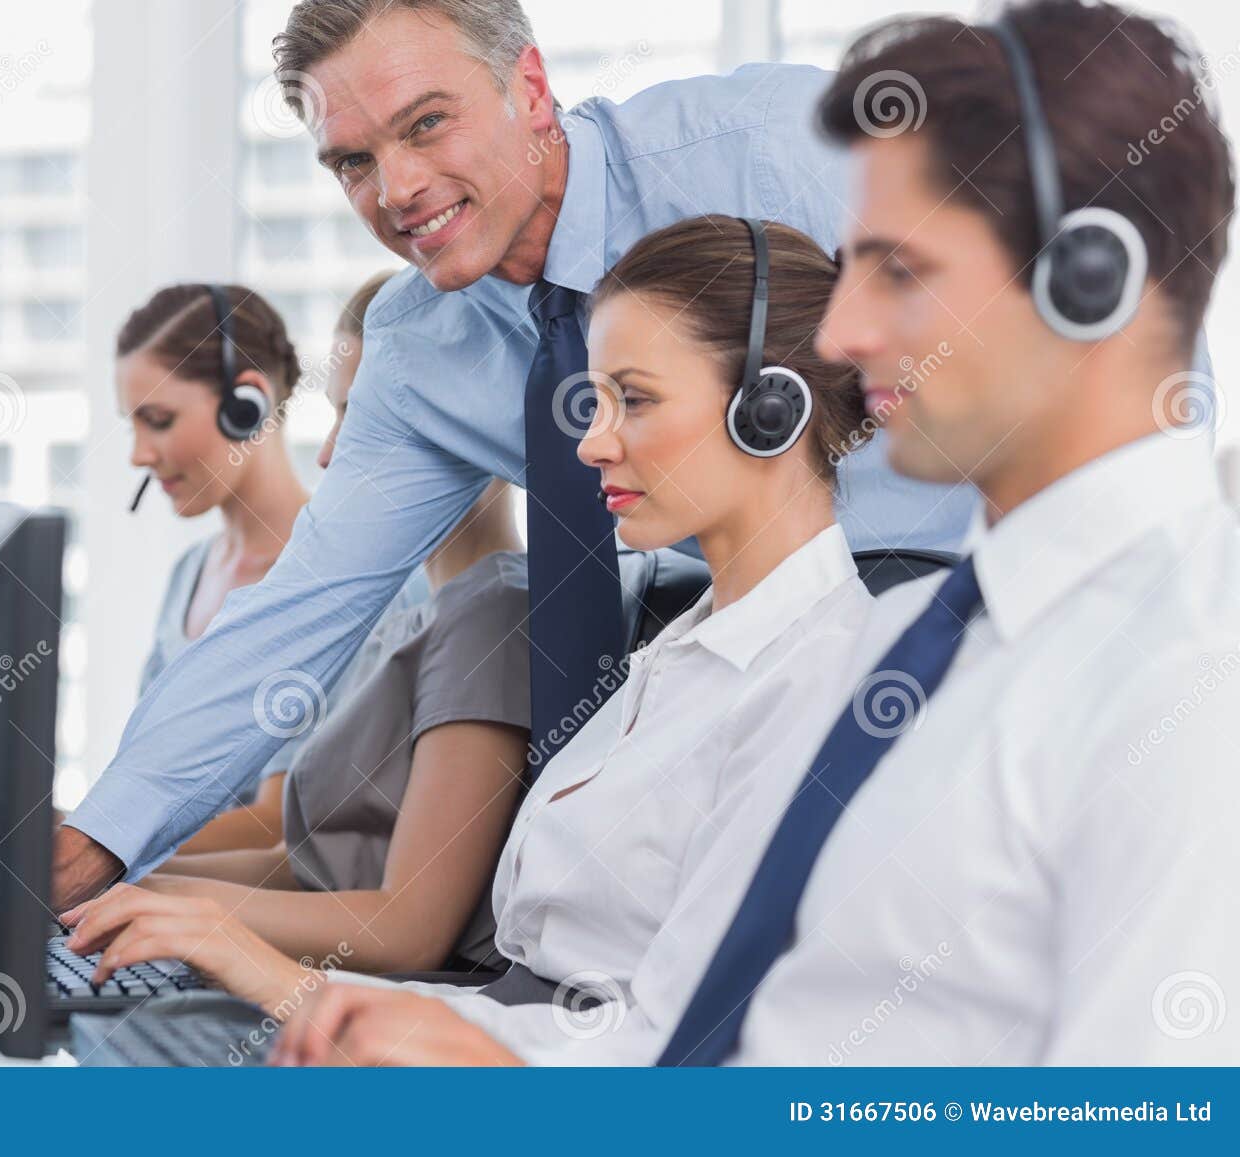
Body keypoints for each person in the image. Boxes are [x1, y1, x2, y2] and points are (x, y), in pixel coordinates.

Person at [273, 0, 1240, 1067]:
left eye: (899, 270)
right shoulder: (916, 638)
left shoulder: (1187, 668)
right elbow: (690, 1033)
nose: (838, 333)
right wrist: (458, 1048)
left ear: (1085, 276)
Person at [52, 0, 1003, 908]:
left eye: (426, 124)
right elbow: (293, 616)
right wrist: (95, 843)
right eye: (352, 161)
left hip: (970, 622)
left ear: (531, 88)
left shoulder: (772, 147)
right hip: (711, 668)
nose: (397, 190)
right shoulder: (421, 349)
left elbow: (1036, 320)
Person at [62, 214, 882, 1036]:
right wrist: (240, 961)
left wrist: (275, 976)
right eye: (593, 401)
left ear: (771, 408)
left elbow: (661, 1055)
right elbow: (513, 1005)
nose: (590, 444)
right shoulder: (675, 653)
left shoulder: (818, 678)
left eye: (632, 399)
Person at [126, 273, 531, 976]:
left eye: (373, 416)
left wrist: (152, 894)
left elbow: (407, 927)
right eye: (342, 414)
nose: (331, 453)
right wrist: (117, 877)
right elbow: (307, 861)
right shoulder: (410, 624)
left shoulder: (492, 614)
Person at [118, 282, 426, 855]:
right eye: (131, 424)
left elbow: (281, 821)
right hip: (168, 904)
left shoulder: (345, 576)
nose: (137, 452)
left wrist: (98, 848)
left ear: (246, 406)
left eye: (157, 420)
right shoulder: (190, 572)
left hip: (260, 920)